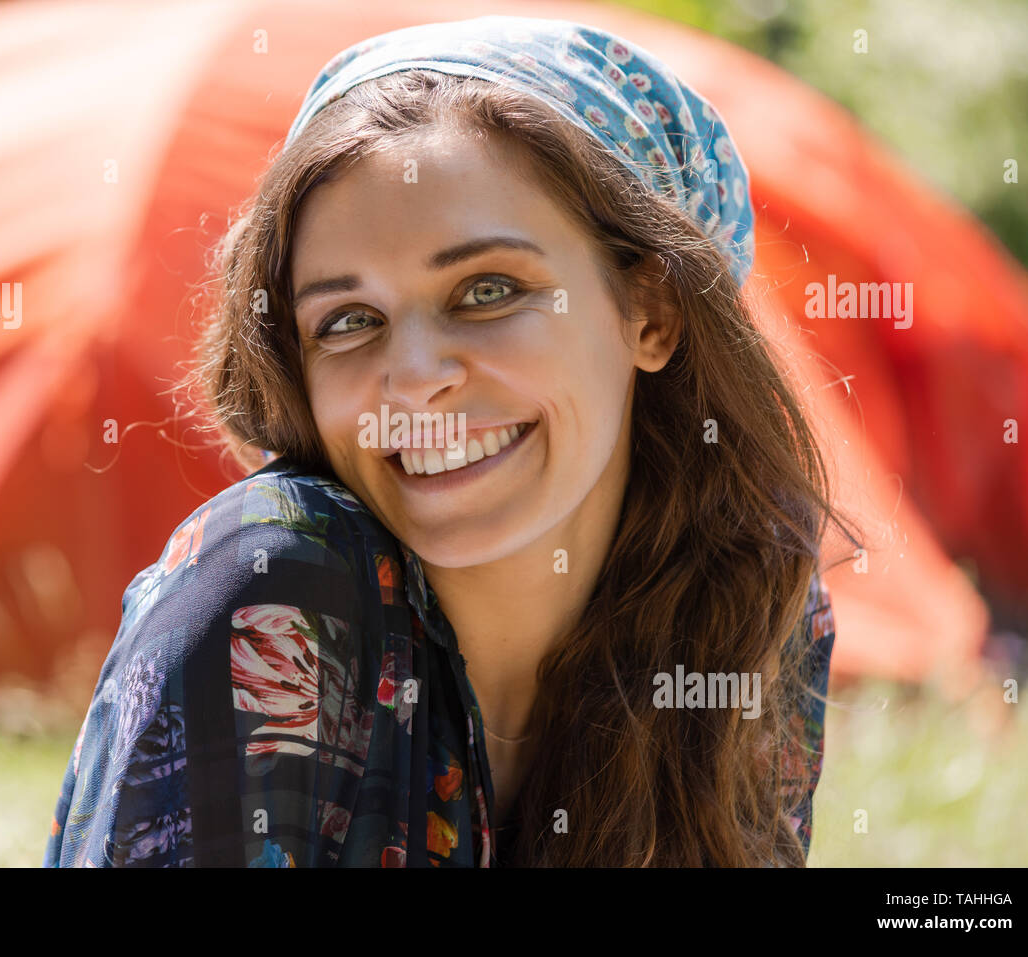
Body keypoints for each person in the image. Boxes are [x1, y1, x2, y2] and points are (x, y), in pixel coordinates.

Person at [43, 14, 854, 868]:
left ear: (651, 311)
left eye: (488, 289)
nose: (414, 377)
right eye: (350, 320)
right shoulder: (267, 593)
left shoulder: (753, 598)